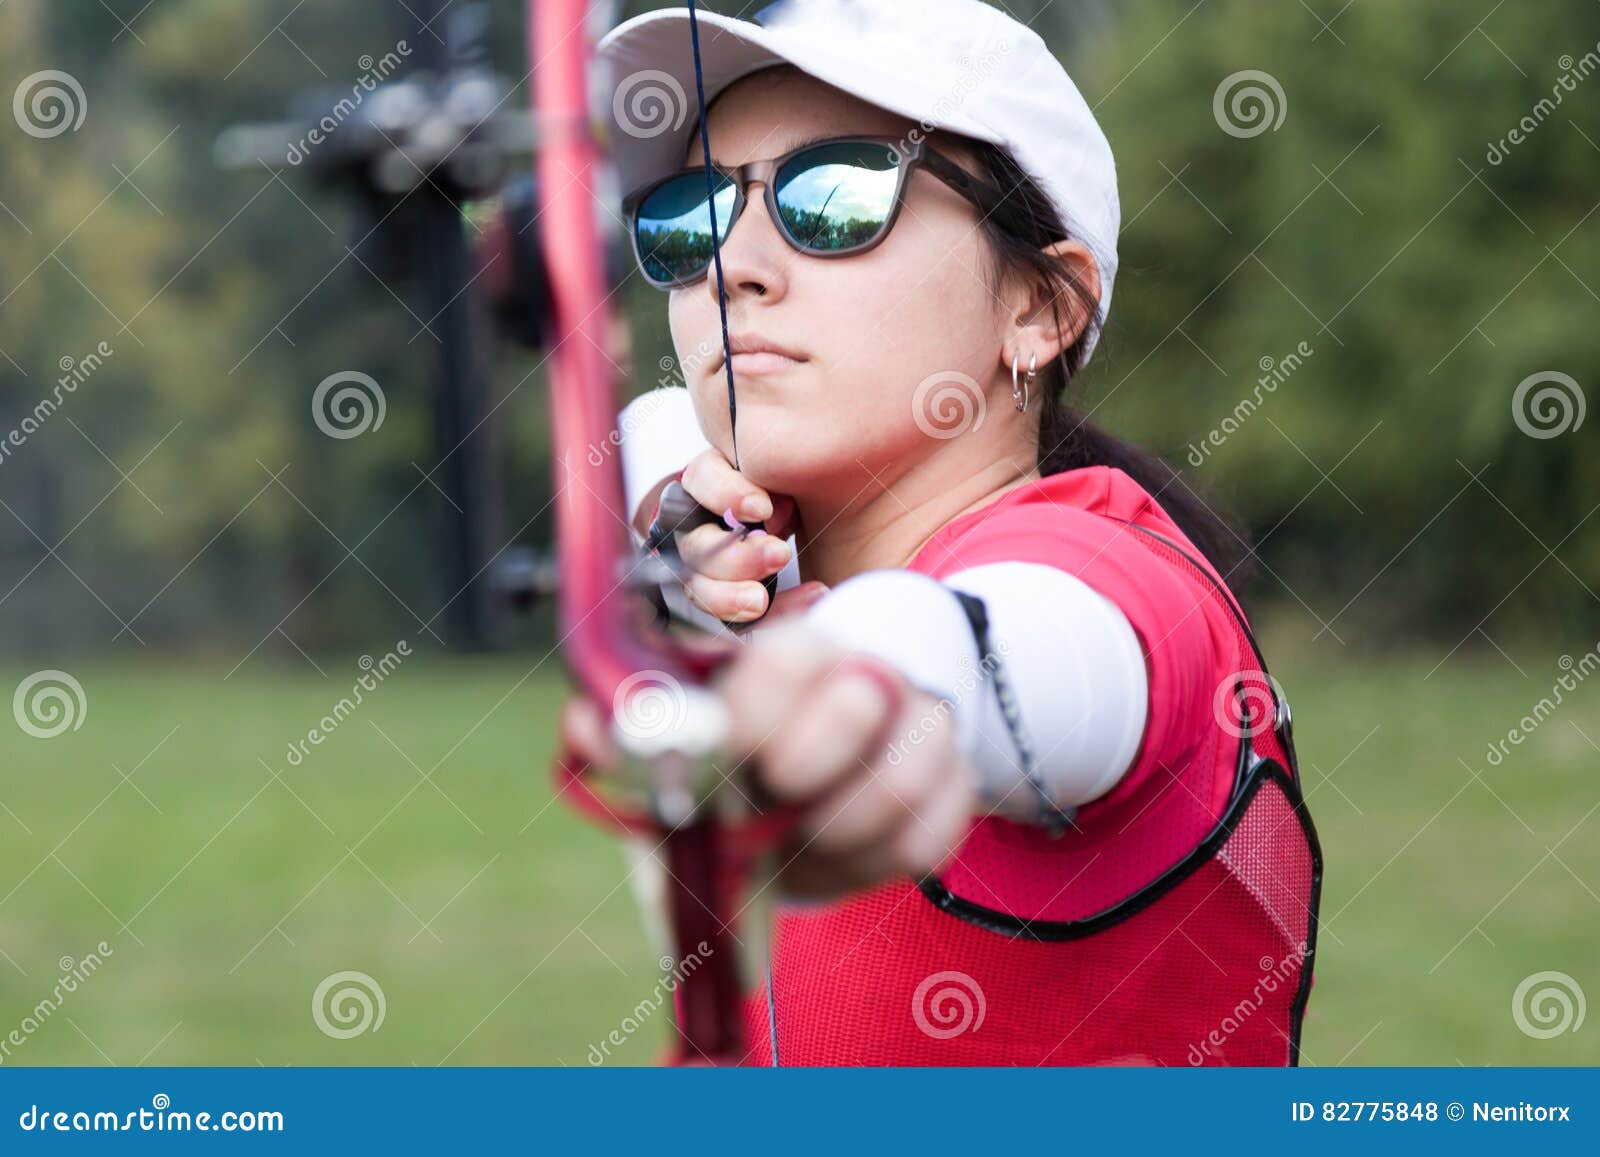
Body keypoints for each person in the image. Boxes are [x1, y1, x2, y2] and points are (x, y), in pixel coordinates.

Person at [564, 0, 1320, 1066]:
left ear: (1041, 308)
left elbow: (1002, 658)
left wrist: (860, 694)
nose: (732, 266)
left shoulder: (1109, 577)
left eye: (833, 198)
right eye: (690, 215)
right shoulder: (758, 552)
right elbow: (645, 425)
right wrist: (677, 508)